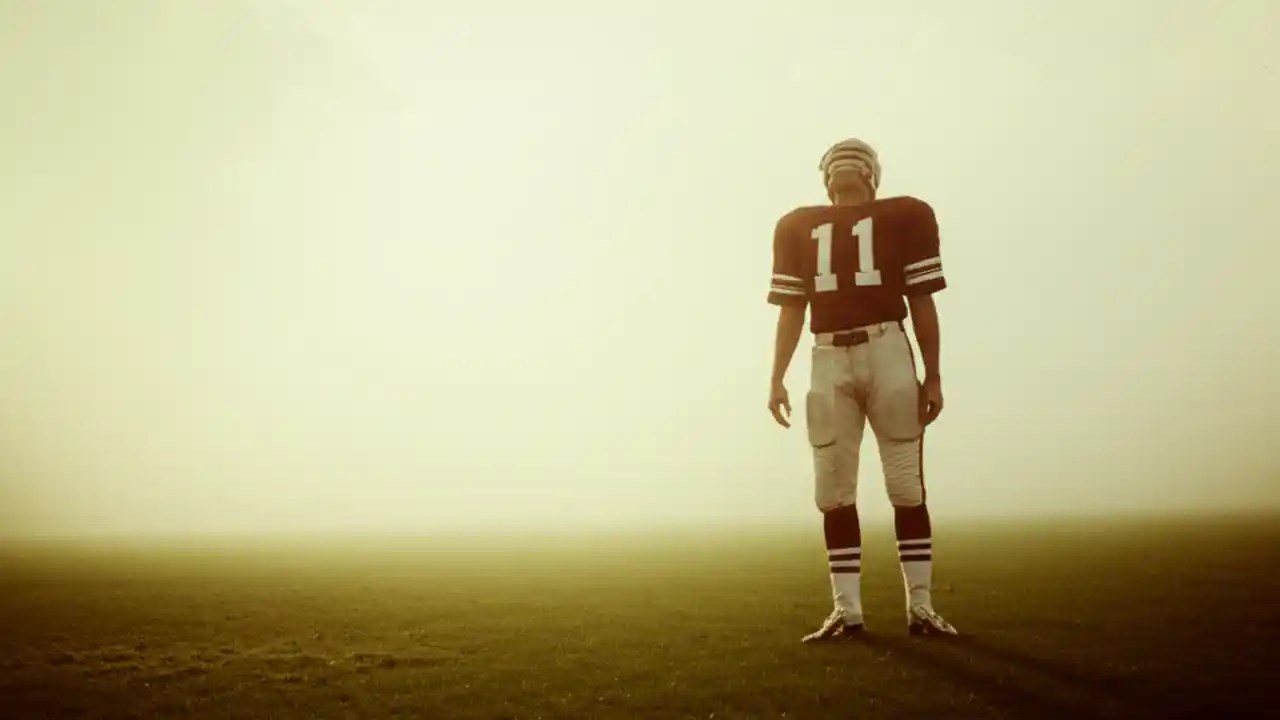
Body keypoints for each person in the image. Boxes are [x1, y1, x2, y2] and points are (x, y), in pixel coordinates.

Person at [766, 138, 958, 640]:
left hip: (885, 348)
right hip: (827, 355)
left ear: (870, 175)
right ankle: (847, 611)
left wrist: (933, 372)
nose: (846, 167)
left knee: (904, 486)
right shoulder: (797, 226)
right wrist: (775, 374)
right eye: (838, 162)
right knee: (833, 491)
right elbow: (794, 309)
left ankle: (920, 606)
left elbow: (920, 300)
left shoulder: (904, 216)